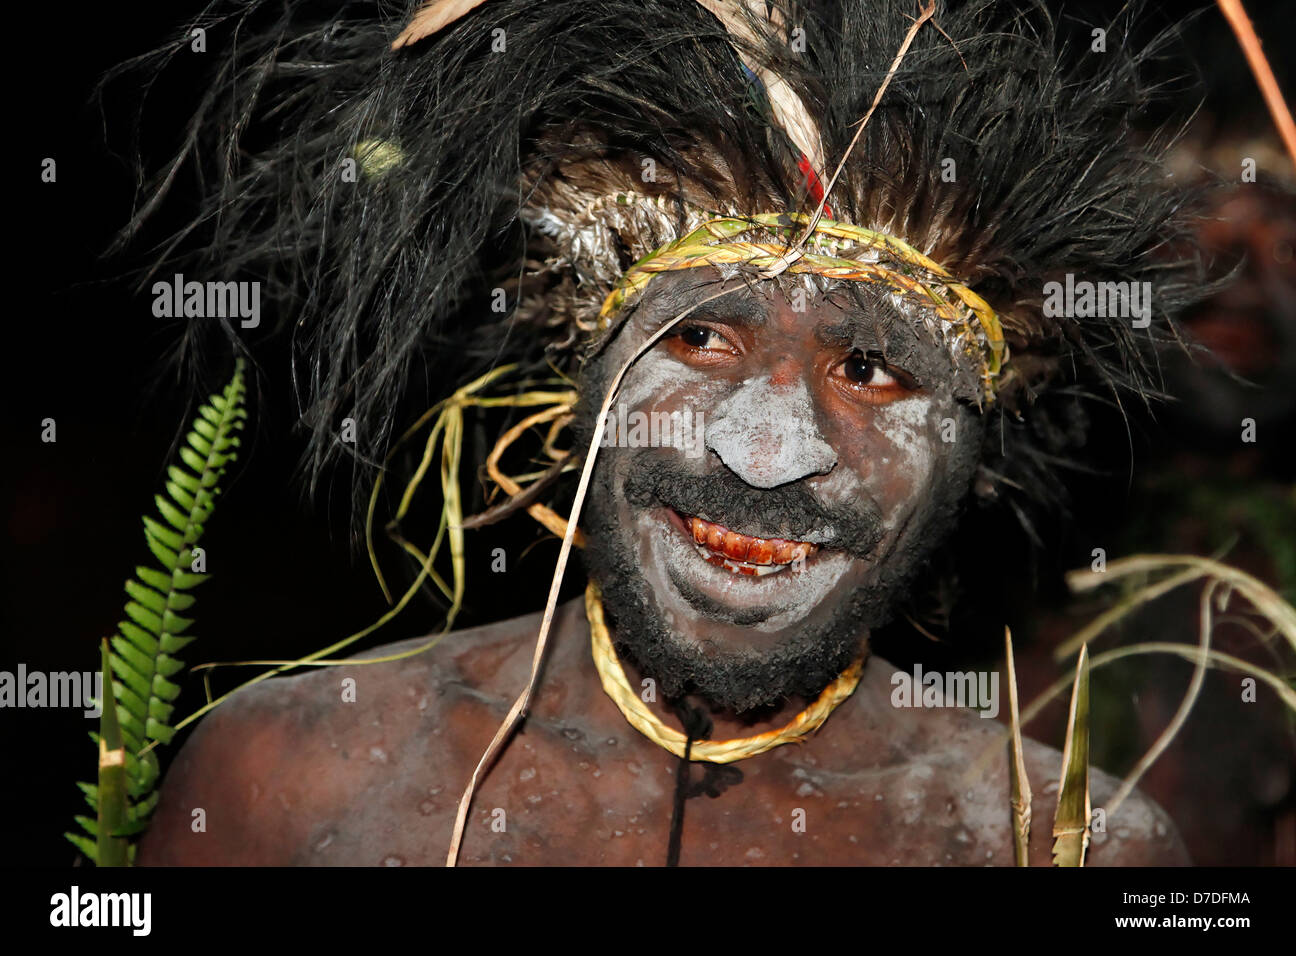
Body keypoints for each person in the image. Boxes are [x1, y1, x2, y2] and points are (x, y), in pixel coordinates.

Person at [126, 0, 1204, 865]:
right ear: (584, 377)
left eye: (870, 370)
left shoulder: (1067, 846)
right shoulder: (290, 775)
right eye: (701, 337)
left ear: (976, 455)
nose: (766, 450)